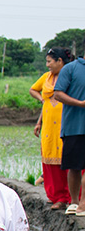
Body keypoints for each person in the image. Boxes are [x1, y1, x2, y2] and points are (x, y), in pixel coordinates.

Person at [30, 49, 73, 209]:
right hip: (48, 123)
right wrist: (39, 121)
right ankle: (55, 195)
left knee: (66, 158)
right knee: (49, 158)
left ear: (60, 61)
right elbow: (34, 90)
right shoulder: (46, 77)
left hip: (65, 122)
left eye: (49, 61)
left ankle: (68, 197)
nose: (47, 65)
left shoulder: (71, 76)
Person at [49, 51, 85, 212]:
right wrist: (80, 103)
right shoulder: (71, 68)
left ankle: (83, 203)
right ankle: (74, 202)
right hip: (74, 126)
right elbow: (58, 94)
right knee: (74, 166)